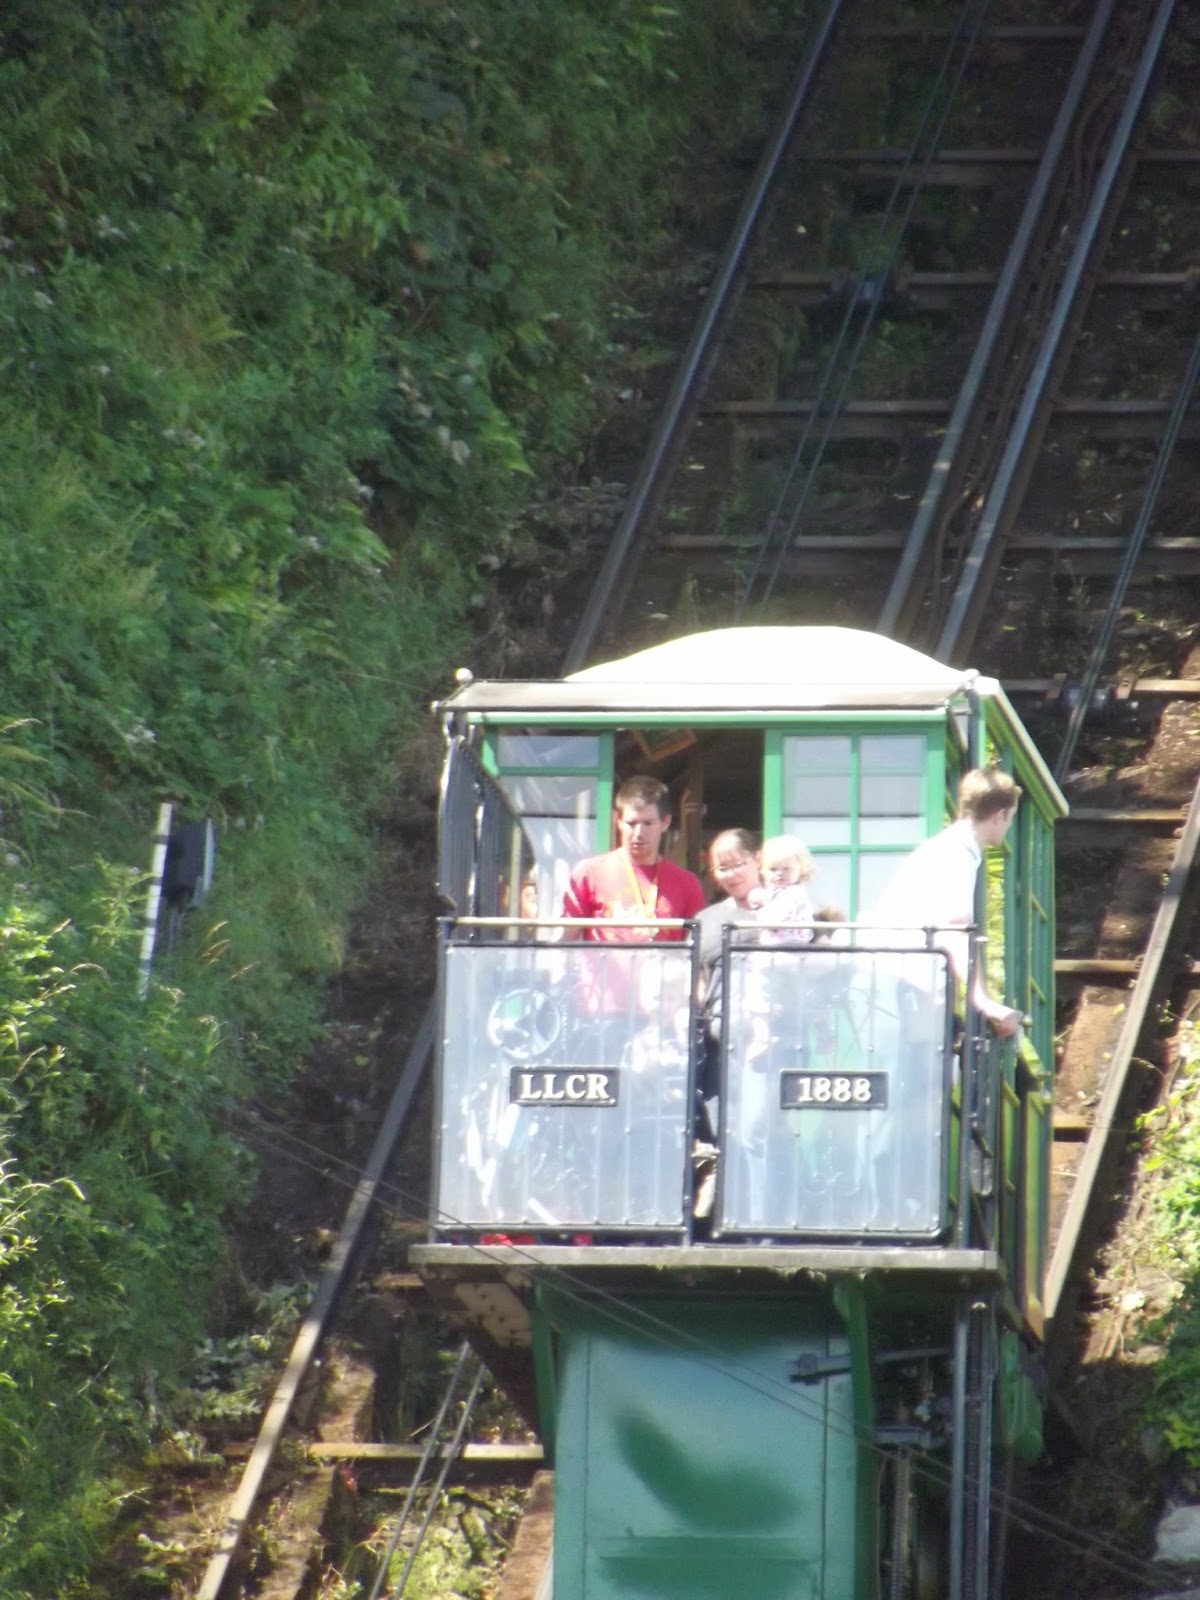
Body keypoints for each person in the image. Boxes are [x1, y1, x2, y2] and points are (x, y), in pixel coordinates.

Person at [870, 767, 1022, 1037]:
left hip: (901, 975)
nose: (1009, 826)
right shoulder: (957, 853)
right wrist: (983, 1001)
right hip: (907, 978)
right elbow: (955, 929)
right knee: (921, 1063)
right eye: (1010, 818)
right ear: (1000, 816)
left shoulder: (950, 845)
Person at [561, 775, 706, 941]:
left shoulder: (687, 883)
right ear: (618, 821)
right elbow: (566, 942)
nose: (638, 833)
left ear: (665, 823)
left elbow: (698, 949)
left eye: (648, 823)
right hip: (603, 967)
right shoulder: (589, 873)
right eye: (631, 823)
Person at [750, 833, 816, 943]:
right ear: (763, 871)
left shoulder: (794, 893)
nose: (779, 873)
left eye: (786, 869)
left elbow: (777, 920)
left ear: (801, 869)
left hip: (790, 948)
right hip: (774, 947)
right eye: (772, 869)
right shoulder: (774, 891)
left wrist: (762, 905)